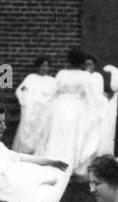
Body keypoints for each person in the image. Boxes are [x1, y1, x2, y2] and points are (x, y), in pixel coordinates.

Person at [43, 47, 111, 178]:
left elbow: (52, 91)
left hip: (62, 108)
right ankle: (71, 165)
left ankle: (57, 164)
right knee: (75, 137)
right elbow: (93, 96)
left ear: (69, 61)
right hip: (78, 109)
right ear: (82, 62)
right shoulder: (85, 76)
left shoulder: (62, 74)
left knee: (60, 135)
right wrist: (104, 102)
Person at [13, 55, 56, 154]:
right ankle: (25, 151)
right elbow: (21, 91)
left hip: (44, 111)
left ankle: (39, 152)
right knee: (27, 129)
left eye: (46, 66)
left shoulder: (51, 80)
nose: (44, 68)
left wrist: (44, 102)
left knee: (42, 131)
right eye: (42, 66)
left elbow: (53, 95)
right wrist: (27, 103)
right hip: (31, 109)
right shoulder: (30, 78)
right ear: (38, 67)